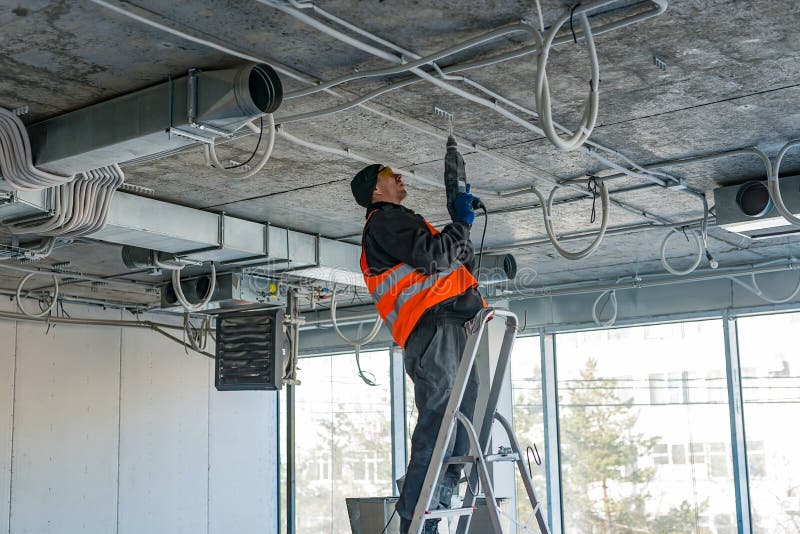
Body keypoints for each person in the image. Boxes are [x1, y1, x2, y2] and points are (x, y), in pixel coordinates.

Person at [350, 163, 484, 534]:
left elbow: (453, 263)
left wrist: (459, 228)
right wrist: (460, 223)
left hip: (451, 324)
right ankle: (415, 520)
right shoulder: (384, 221)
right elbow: (434, 256)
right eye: (389, 174)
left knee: (461, 417)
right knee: (440, 419)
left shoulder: (406, 222)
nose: (399, 177)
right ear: (376, 191)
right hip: (432, 327)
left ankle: (436, 504)